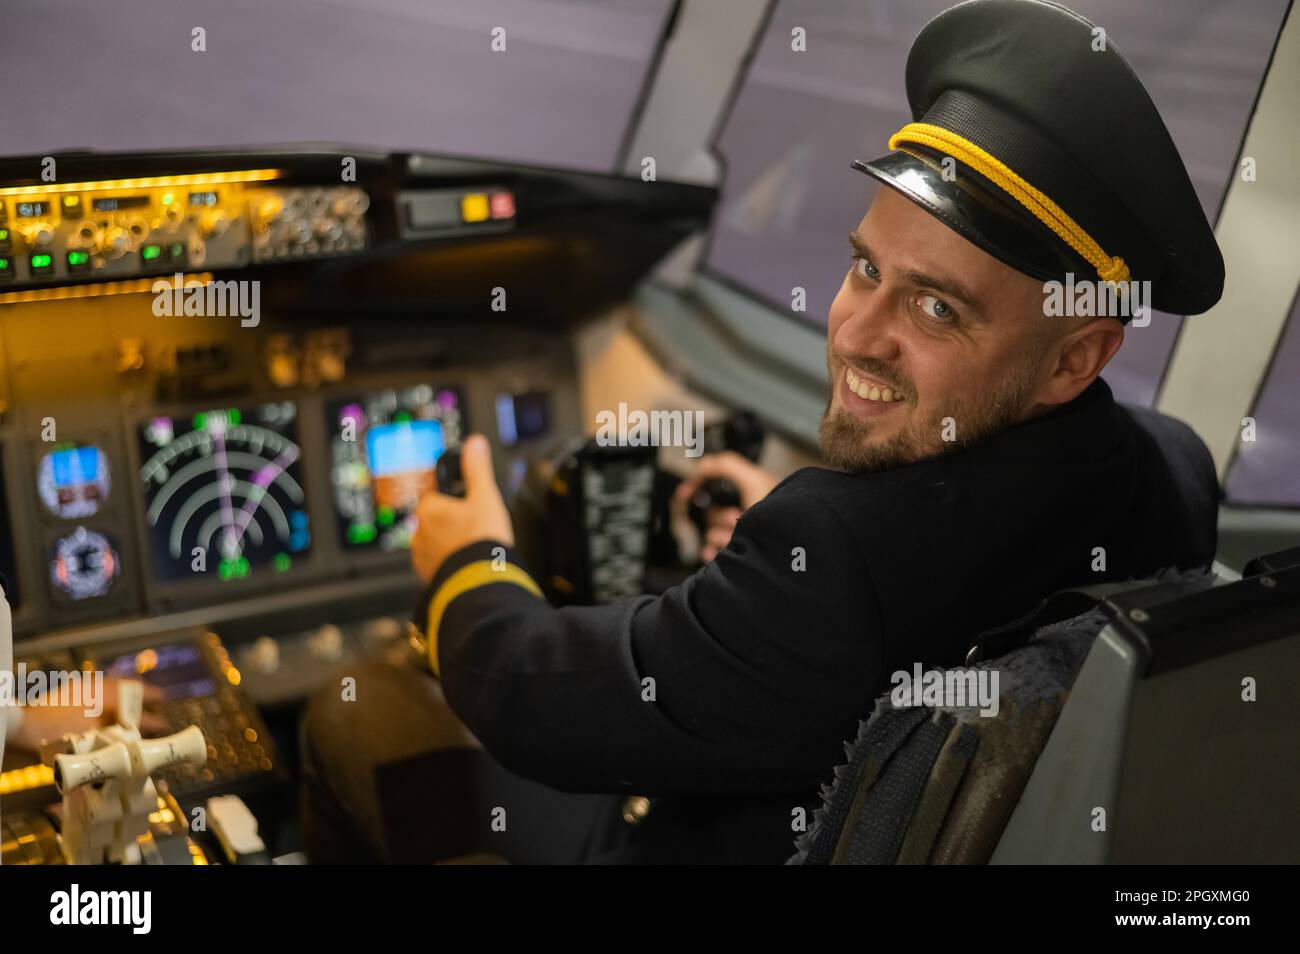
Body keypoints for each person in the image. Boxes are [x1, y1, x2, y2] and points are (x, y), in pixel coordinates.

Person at [301, 0, 1223, 864]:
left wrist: (472, 566)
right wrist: (770, 567)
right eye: (865, 268)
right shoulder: (1176, 465)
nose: (857, 335)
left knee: (353, 714)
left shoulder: (838, 554)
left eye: (938, 308)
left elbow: (535, 698)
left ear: (1077, 357)